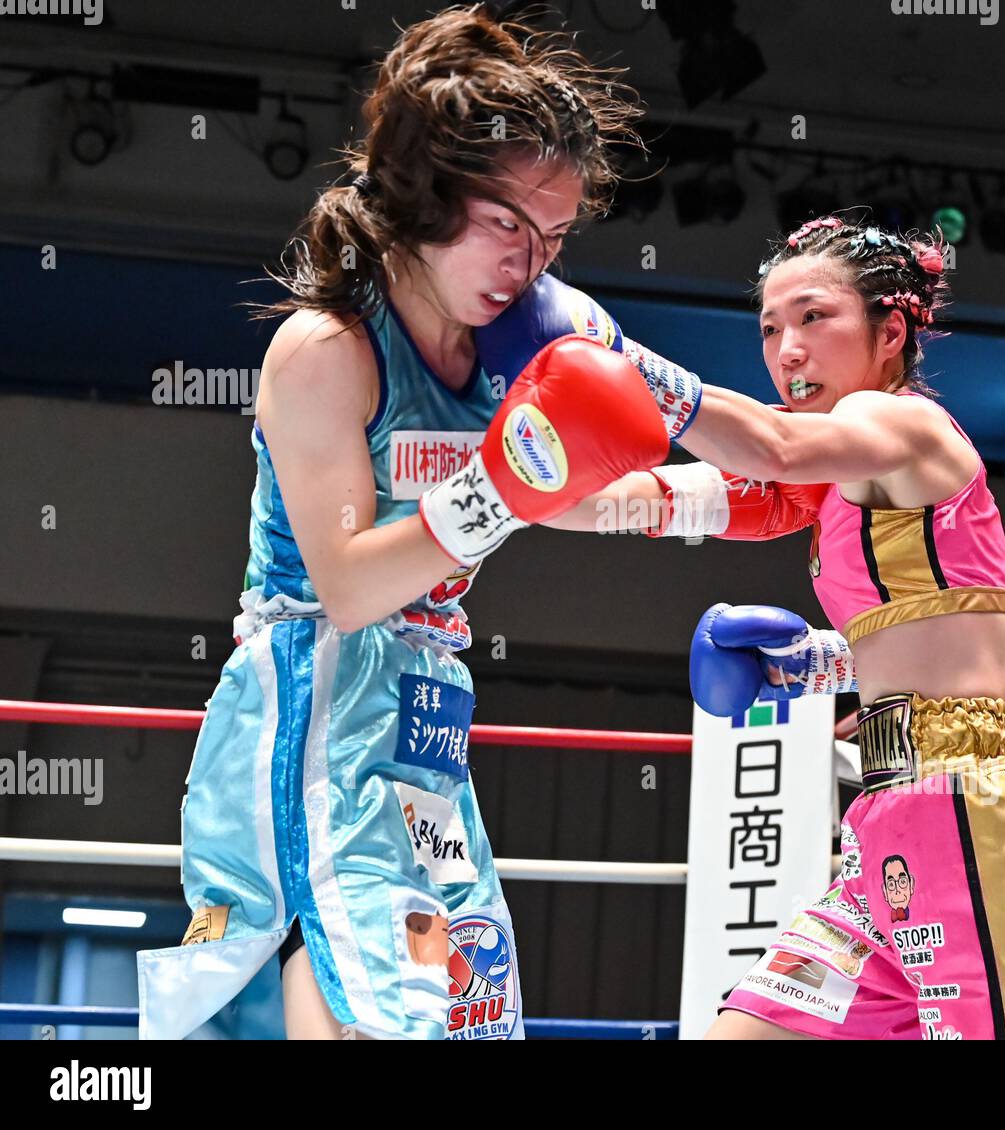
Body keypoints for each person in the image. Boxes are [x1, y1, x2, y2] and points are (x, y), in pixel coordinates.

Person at [135, 6, 676, 1041]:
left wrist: (733, 499)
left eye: (553, 237)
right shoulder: (326, 350)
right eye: (507, 224)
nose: (530, 260)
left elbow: (595, 475)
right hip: (317, 685)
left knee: (461, 1001)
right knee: (397, 995)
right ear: (429, 196)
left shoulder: (516, 343)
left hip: (426, 697)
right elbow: (347, 582)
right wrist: (503, 488)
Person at [551, 214, 1005, 1040]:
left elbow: (772, 445)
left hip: (967, 808)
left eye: (815, 317)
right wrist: (489, 478)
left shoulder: (905, 429)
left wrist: (611, 353)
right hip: (883, 826)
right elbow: (625, 503)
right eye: (771, 328)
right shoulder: (832, 486)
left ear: (891, 331)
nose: (788, 349)